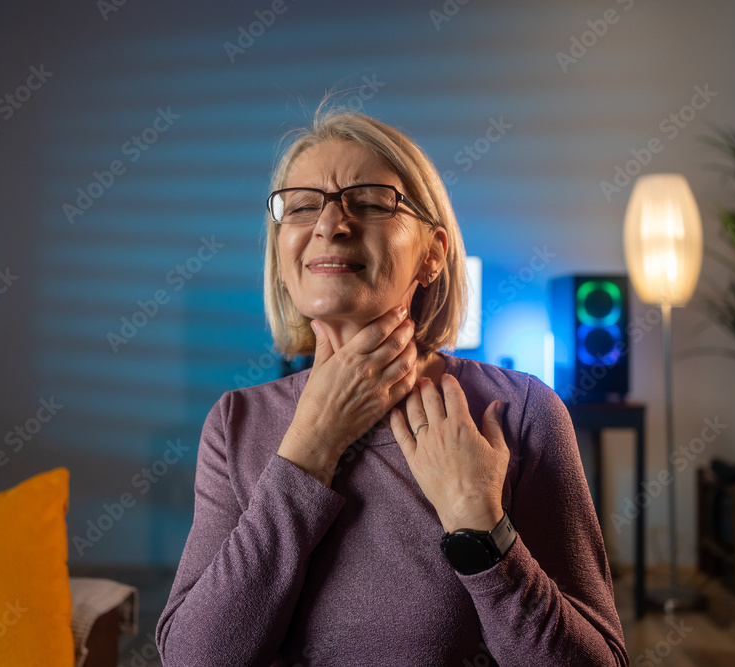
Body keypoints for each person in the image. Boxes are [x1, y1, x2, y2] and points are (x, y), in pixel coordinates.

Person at [156, 105, 629, 666]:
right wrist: (310, 449)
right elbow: (192, 658)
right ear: (281, 256)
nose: (330, 225)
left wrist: (480, 526)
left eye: (370, 202)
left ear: (432, 254)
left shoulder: (523, 413)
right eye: (302, 206)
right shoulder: (236, 423)